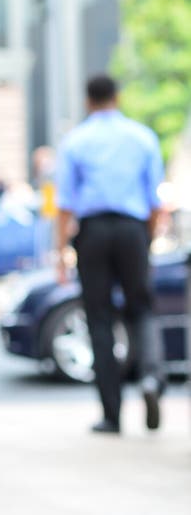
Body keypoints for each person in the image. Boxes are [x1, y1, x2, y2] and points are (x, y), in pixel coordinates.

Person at [56, 74, 165, 435]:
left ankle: (111, 414)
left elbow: (66, 204)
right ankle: (150, 378)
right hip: (133, 230)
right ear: (116, 97)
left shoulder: (76, 140)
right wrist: (145, 239)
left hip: (93, 234)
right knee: (142, 308)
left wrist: (60, 253)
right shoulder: (142, 137)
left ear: (88, 101)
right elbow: (155, 202)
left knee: (99, 319)